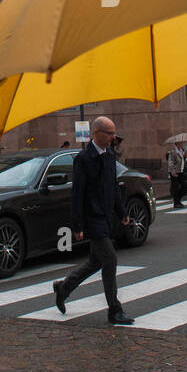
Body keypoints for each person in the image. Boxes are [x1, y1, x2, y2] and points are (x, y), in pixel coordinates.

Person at [53, 117, 133, 325]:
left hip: (106, 216)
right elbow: (78, 193)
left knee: (95, 261)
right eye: (109, 133)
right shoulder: (83, 158)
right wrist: (77, 224)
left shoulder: (109, 155)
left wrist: (122, 212)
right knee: (110, 259)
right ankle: (114, 310)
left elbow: (113, 186)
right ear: (96, 133)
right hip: (92, 218)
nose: (113, 137)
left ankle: (63, 288)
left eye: (114, 133)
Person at [167, 142, 187, 208]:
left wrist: (185, 156)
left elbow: (182, 160)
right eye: (180, 143)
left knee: (184, 186)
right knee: (175, 187)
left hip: (181, 171)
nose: (182, 144)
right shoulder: (173, 151)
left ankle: (177, 200)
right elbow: (170, 162)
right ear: (177, 144)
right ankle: (176, 203)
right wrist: (173, 172)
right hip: (174, 172)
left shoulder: (182, 150)